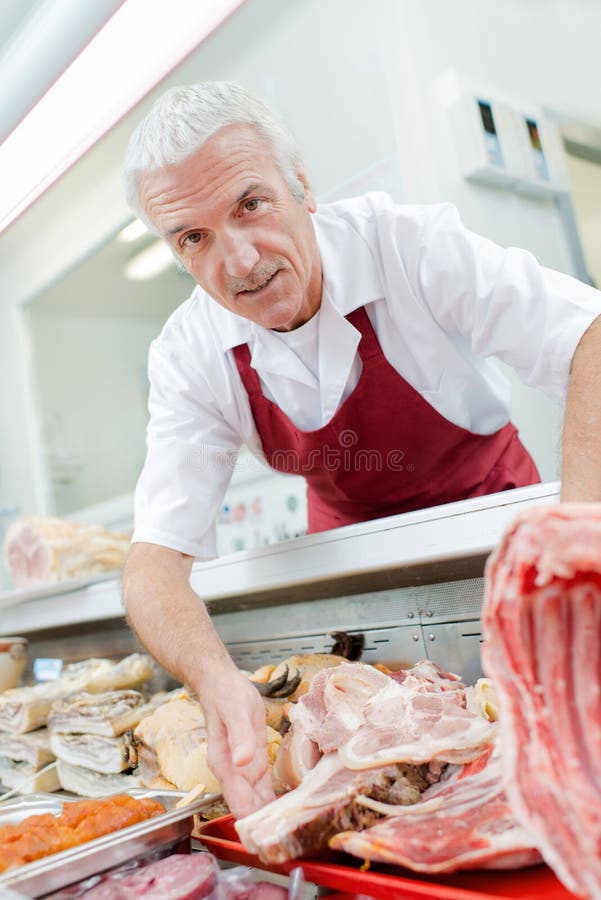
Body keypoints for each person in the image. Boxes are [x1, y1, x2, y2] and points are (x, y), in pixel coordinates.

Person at [121, 82, 601, 819]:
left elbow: (587, 337)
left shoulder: (404, 245)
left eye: (250, 203)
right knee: (387, 778)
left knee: (550, 742)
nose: (240, 259)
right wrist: (218, 685)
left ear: (302, 187)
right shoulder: (189, 353)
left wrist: (576, 559)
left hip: (494, 526)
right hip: (356, 568)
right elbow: (153, 565)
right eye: (193, 237)